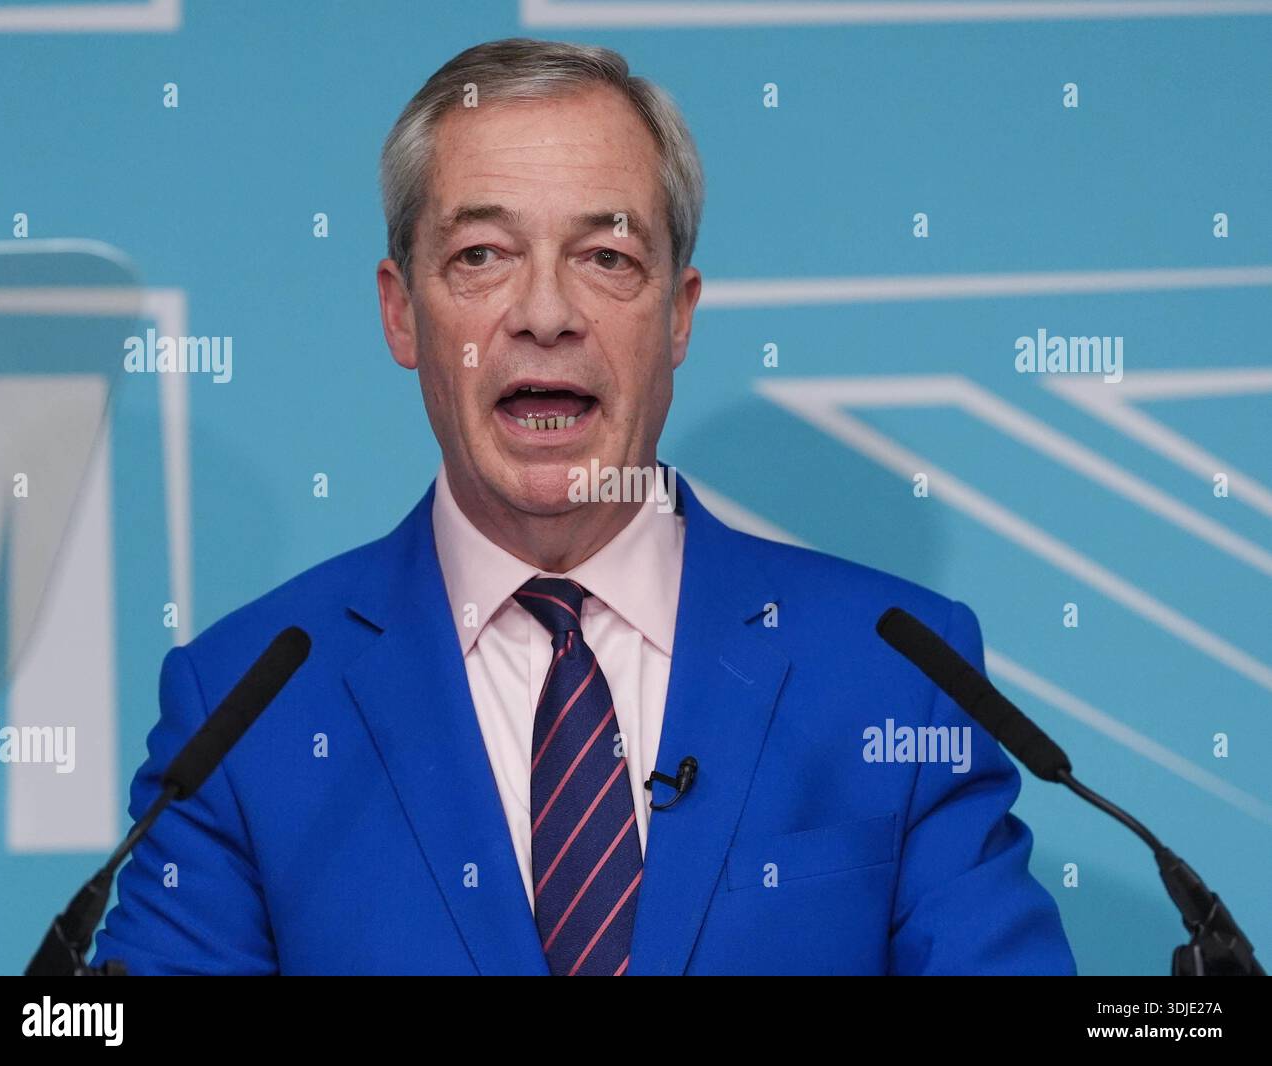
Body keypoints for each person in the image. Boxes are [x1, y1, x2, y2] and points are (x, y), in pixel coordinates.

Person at [91, 37, 1076, 976]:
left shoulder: (891, 675)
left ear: (678, 313)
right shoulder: (244, 708)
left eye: (605, 257)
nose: (546, 313)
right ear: (402, 311)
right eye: (481, 254)